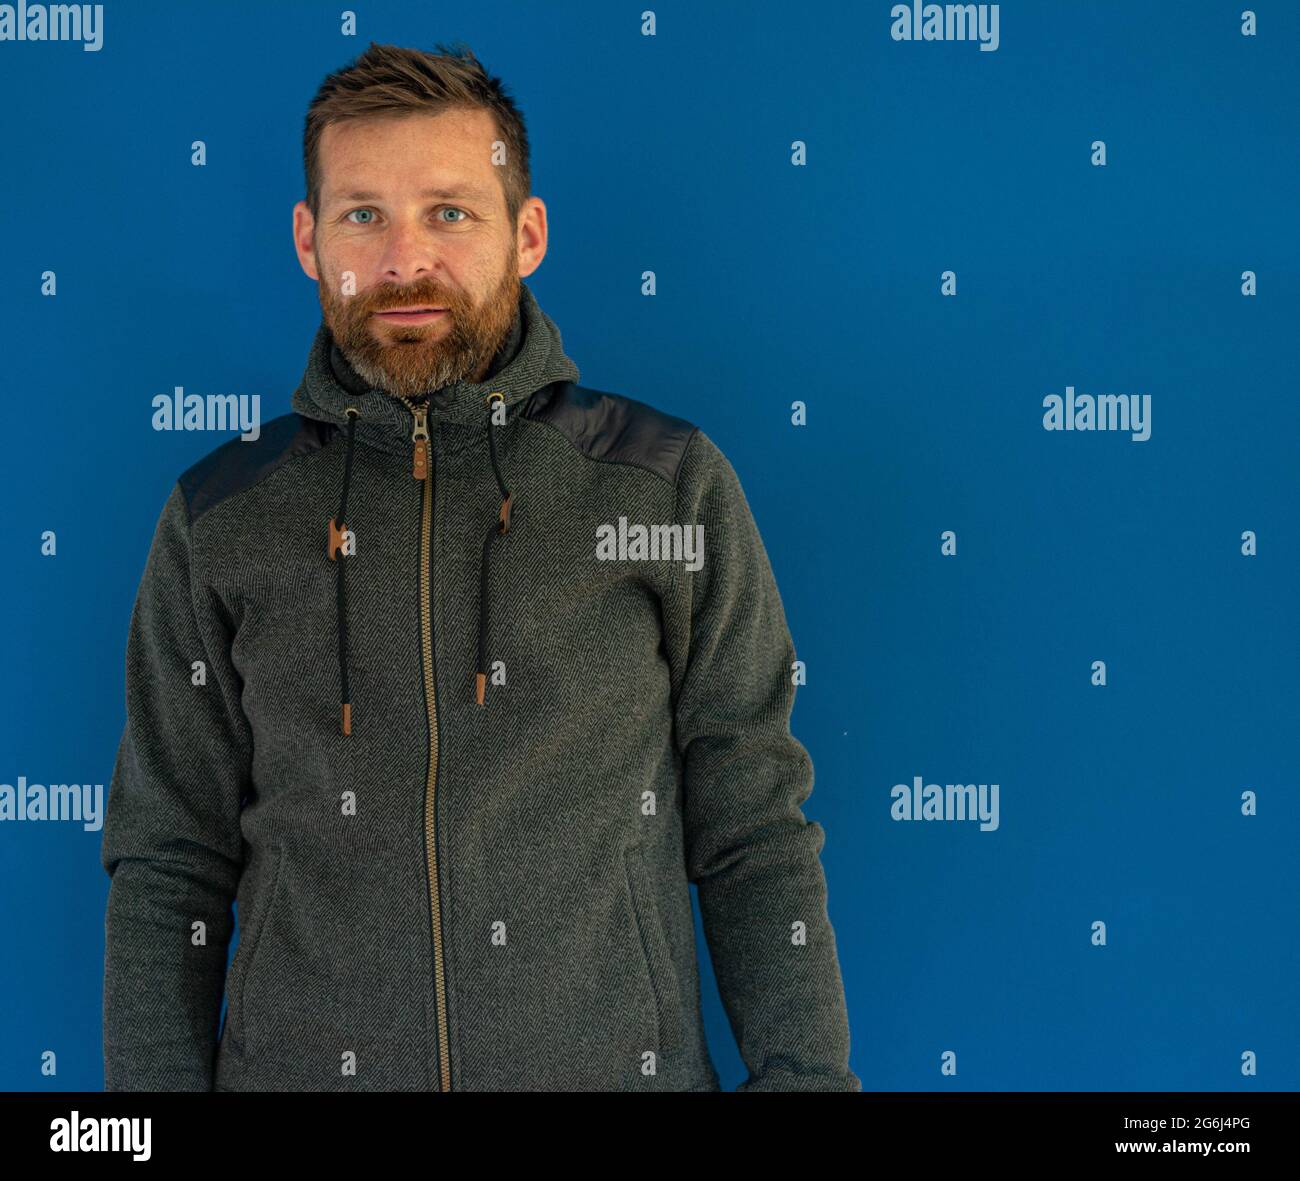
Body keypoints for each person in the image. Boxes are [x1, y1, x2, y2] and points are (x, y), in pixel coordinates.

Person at [101, 40, 860, 1092]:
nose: (406, 259)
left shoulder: (661, 486)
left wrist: (806, 1078)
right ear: (308, 240)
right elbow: (167, 860)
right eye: (363, 213)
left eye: (450, 211)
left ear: (527, 234)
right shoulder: (222, 513)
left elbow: (753, 828)